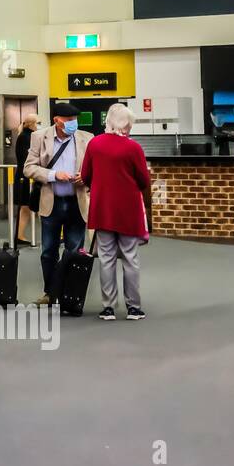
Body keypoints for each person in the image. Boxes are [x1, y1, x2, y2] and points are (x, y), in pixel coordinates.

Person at [79, 102, 150, 321]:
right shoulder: (133, 148)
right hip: (128, 209)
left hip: (102, 208)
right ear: (126, 124)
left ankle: (108, 307)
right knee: (130, 258)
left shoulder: (94, 144)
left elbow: (85, 174)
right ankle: (133, 307)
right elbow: (144, 180)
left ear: (108, 121)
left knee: (106, 258)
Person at [23, 101, 92, 306]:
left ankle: (70, 295)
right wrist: (53, 175)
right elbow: (28, 168)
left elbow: (95, 168)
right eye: (69, 120)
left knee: (74, 250)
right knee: (48, 252)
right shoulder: (39, 137)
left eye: (75, 119)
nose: (73, 123)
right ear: (57, 120)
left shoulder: (87, 138)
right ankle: (50, 293)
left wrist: (86, 177)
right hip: (51, 203)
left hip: (77, 202)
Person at [12, 113, 40, 246]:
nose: (39, 125)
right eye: (38, 123)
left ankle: (20, 234)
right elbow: (27, 158)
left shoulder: (26, 136)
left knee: (26, 207)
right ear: (31, 124)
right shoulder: (26, 137)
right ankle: (19, 235)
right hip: (25, 177)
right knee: (25, 206)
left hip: (24, 176)